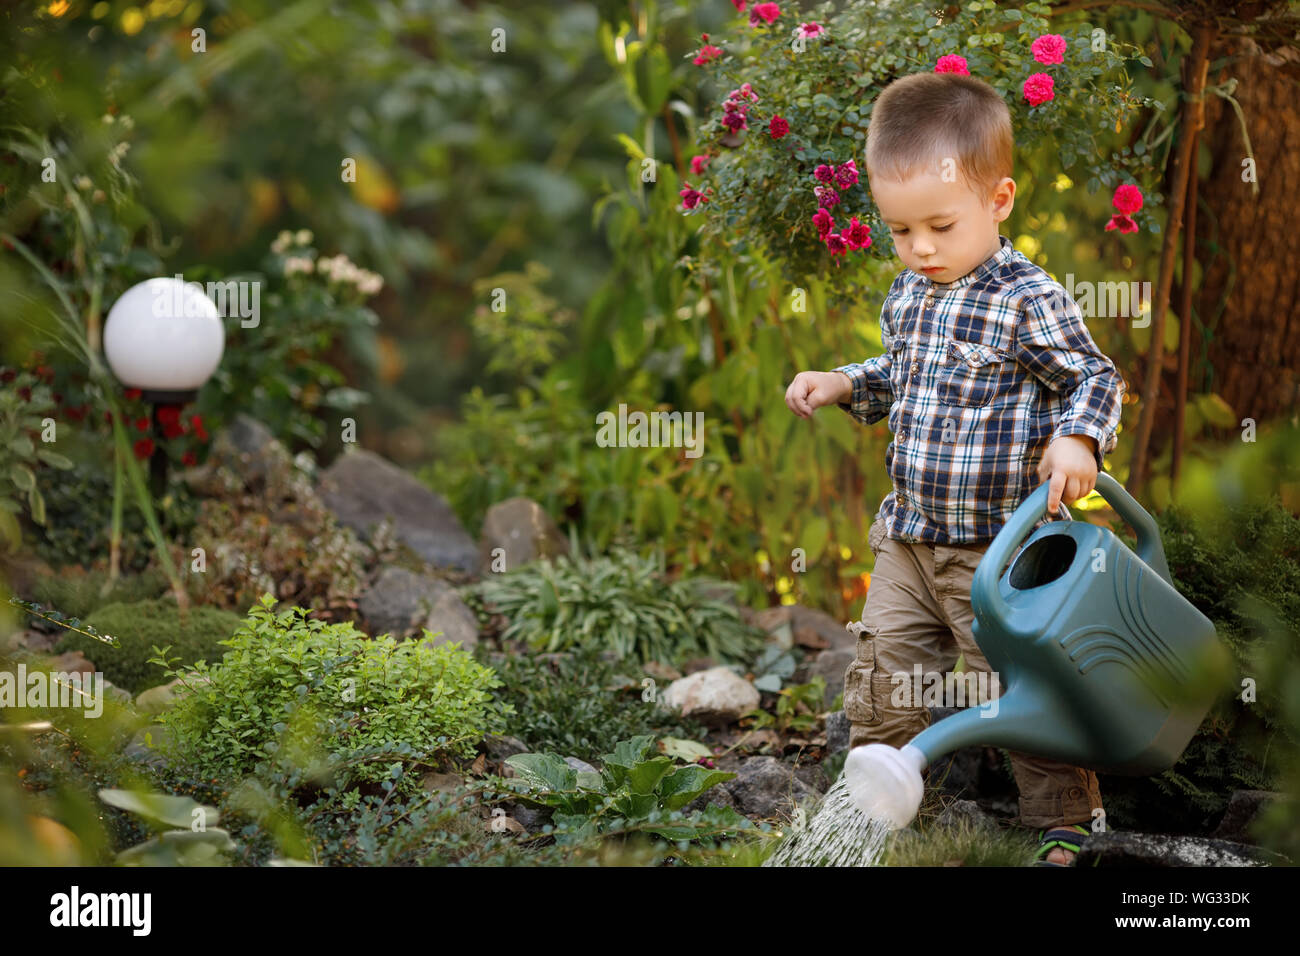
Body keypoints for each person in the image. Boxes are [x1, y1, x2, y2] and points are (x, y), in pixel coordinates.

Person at [784, 72, 1126, 866]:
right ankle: (878, 803)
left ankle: (1068, 821)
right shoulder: (910, 294)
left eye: (939, 225)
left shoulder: (1026, 298)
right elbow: (902, 372)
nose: (921, 249)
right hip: (908, 535)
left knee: (1014, 684)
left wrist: (1079, 440)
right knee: (884, 673)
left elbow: (1094, 377)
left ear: (999, 199)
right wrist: (844, 382)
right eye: (900, 232)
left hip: (999, 554)